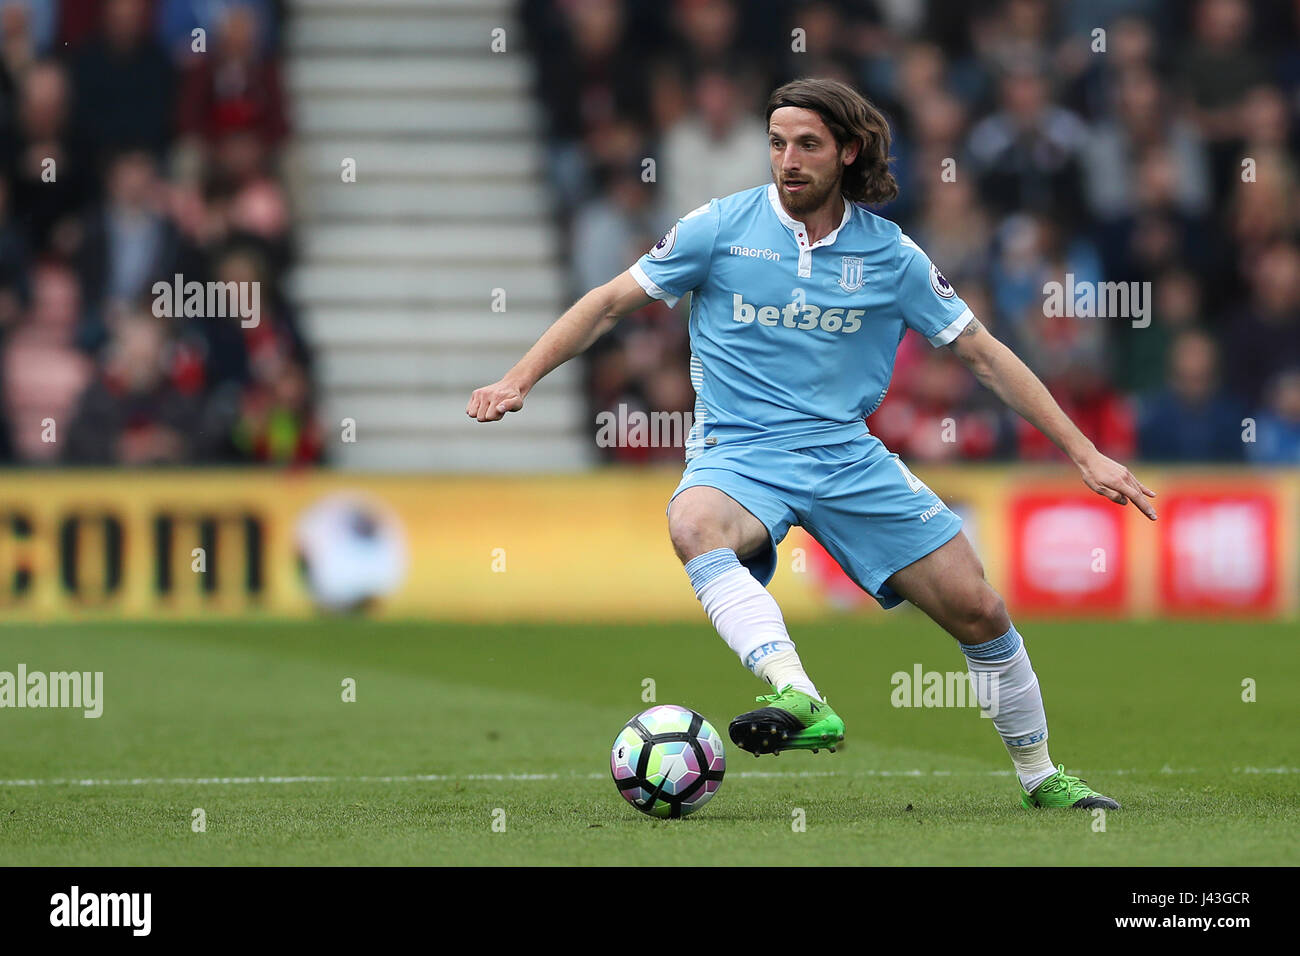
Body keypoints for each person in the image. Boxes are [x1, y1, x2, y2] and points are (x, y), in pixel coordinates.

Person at [468, 77, 1157, 809]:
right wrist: (520, 378)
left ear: (846, 152)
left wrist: (1085, 453)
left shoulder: (891, 257)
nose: (787, 159)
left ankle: (1041, 777)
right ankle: (798, 694)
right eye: (776, 143)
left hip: (845, 455)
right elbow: (607, 303)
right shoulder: (719, 227)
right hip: (739, 452)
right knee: (693, 523)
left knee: (980, 609)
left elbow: (983, 354)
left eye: (806, 145)